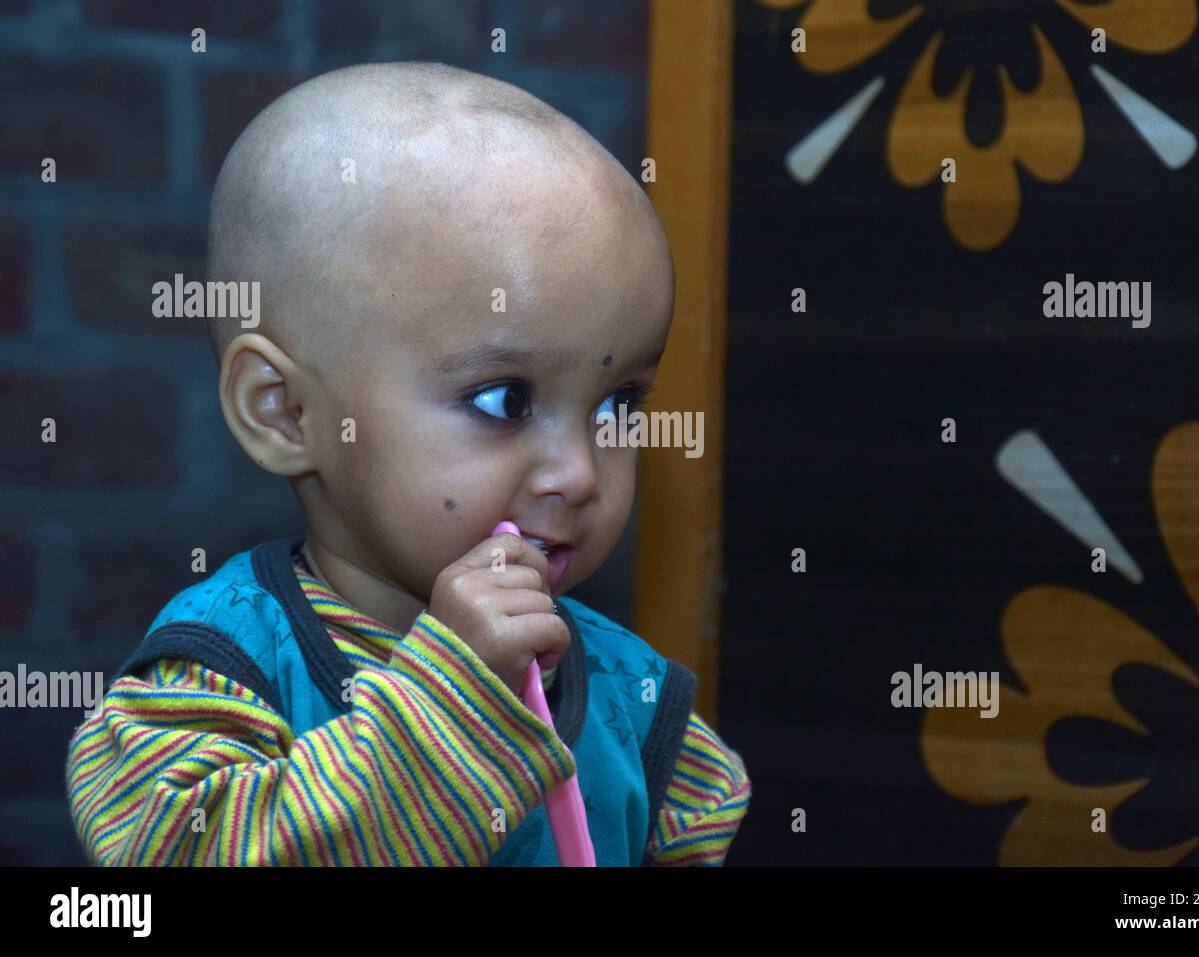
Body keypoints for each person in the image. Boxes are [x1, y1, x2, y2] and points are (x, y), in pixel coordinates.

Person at [65, 62, 750, 866]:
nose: (579, 472)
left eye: (616, 405)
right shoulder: (218, 675)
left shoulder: (636, 704)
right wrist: (452, 711)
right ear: (284, 412)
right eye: (504, 400)